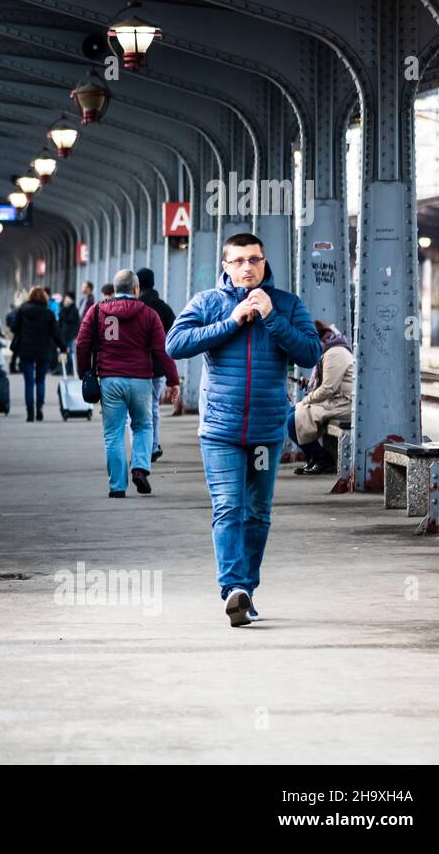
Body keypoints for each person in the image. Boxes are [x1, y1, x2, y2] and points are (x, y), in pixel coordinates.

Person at [165, 233, 320, 627]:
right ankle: (233, 588)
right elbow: (175, 344)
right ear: (226, 265)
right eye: (238, 261)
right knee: (228, 508)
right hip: (220, 428)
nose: (247, 267)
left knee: (257, 514)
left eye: (254, 259)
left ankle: (245, 589)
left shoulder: (286, 304)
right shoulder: (208, 302)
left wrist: (272, 318)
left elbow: (310, 353)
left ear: (265, 263)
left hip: (266, 430)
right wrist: (230, 322)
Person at [75, 270, 180, 498]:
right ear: (136, 289)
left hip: (110, 380)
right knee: (143, 425)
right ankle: (140, 468)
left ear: (114, 290)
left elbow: (82, 343)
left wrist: (84, 373)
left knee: (113, 433)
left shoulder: (97, 311)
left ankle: (117, 487)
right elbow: (163, 349)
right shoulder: (149, 314)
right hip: (141, 380)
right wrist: (173, 380)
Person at [287, 320, 353, 475]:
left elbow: (328, 388)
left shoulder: (335, 353)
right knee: (292, 416)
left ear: (319, 338)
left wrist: (305, 401)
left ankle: (323, 459)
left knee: (293, 419)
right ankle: (314, 459)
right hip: (336, 401)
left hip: (344, 403)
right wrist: (309, 384)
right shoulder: (330, 351)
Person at [136, 268, 177, 462]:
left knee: (135, 411)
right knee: (153, 407)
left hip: (135, 367)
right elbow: (174, 336)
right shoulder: (164, 308)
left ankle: (141, 449)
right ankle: (153, 446)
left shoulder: (134, 306)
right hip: (159, 366)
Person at [11, 286, 66, 422]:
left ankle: (30, 413)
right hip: (43, 350)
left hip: (25, 350)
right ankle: (39, 409)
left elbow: (14, 327)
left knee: (29, 383)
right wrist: (63, 348)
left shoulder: (22, 310)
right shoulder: (48, 313)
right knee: (40, 381)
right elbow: (56, 334)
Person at [58, 293, 81, 375]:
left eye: (68, 299)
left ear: (71, 300)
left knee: (71, 352)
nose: (66, 300)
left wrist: (64, 311)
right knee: (63, 352)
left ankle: (71, 369)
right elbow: (60, 322)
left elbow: (70, 319)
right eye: (65, 298)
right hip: (63, 334)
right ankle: (62, 368)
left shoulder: (74, 309)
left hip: (71, 335)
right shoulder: (63, 309)